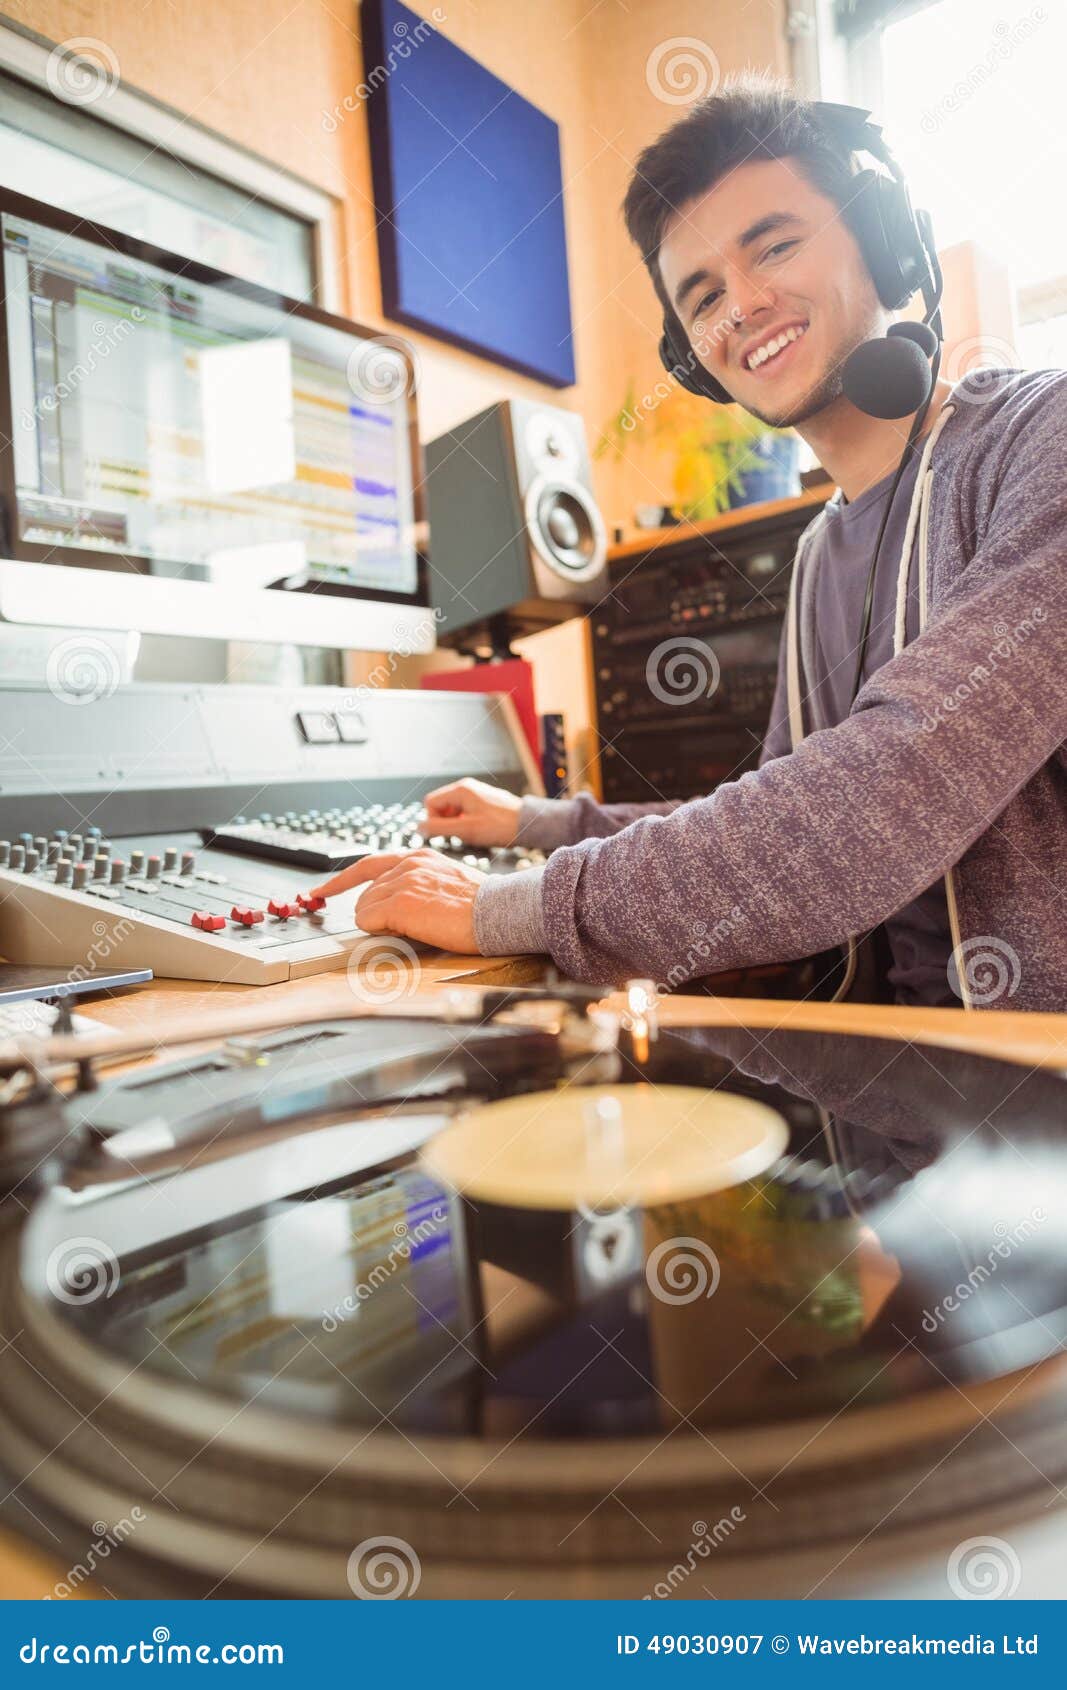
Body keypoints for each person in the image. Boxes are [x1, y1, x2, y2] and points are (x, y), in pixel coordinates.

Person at [313, 74, 1067, 1012]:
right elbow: (777, 815)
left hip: (1026, 1095)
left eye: (775, 246)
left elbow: (886, 792)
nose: (739, 306)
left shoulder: (1043, 442)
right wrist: (542, 823)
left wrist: (509, 904)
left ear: (884, 242)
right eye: (701, 294)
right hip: (882, 1088)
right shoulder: (820, 551)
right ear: (687, 355)